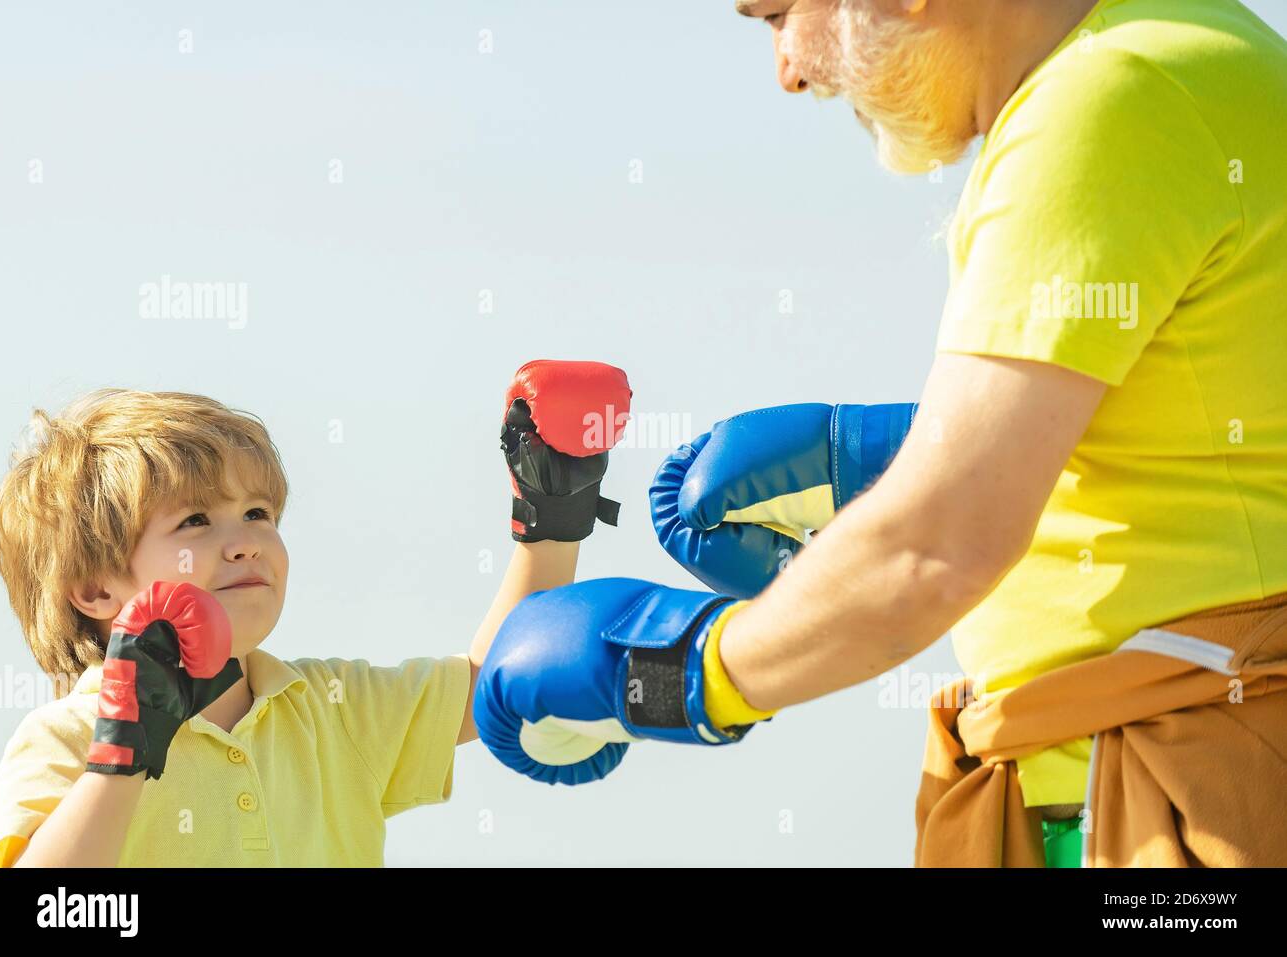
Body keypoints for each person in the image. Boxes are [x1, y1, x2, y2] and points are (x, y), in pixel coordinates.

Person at [472, 0, 1287, 867]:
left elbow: (938, 545)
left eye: (779, 15)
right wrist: (911, 452)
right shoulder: (1187, 50)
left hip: (1182, 808)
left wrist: (679, 672)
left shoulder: (1103, 100)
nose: (788, 69)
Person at [0, 360, 630, 866]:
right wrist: (119, 760)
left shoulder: (328, 706)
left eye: (259, 513)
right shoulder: (64, 739)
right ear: (96, 590)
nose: (245, 541)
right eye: (195, 520)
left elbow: (496, 681)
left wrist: (553, 523)